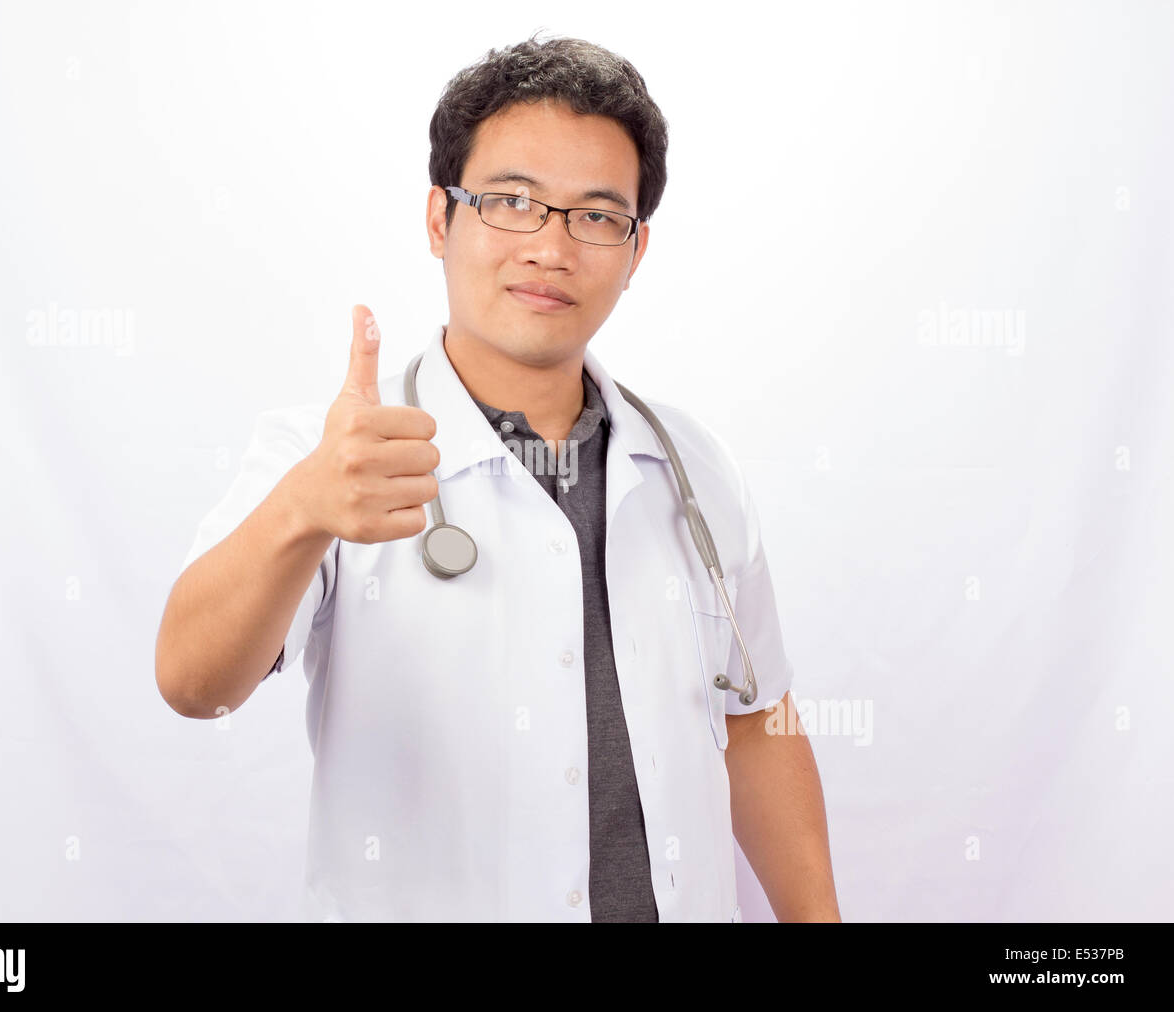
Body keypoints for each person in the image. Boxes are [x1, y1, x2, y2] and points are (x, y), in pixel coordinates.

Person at [155, 33, 840, 923]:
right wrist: (302, 510)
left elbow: (755, 720)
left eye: (597, 215)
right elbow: (191, 684)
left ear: (635, 251)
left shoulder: (691, 465)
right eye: (512, 201)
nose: (552, 249)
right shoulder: (332, 459)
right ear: (441, 218)